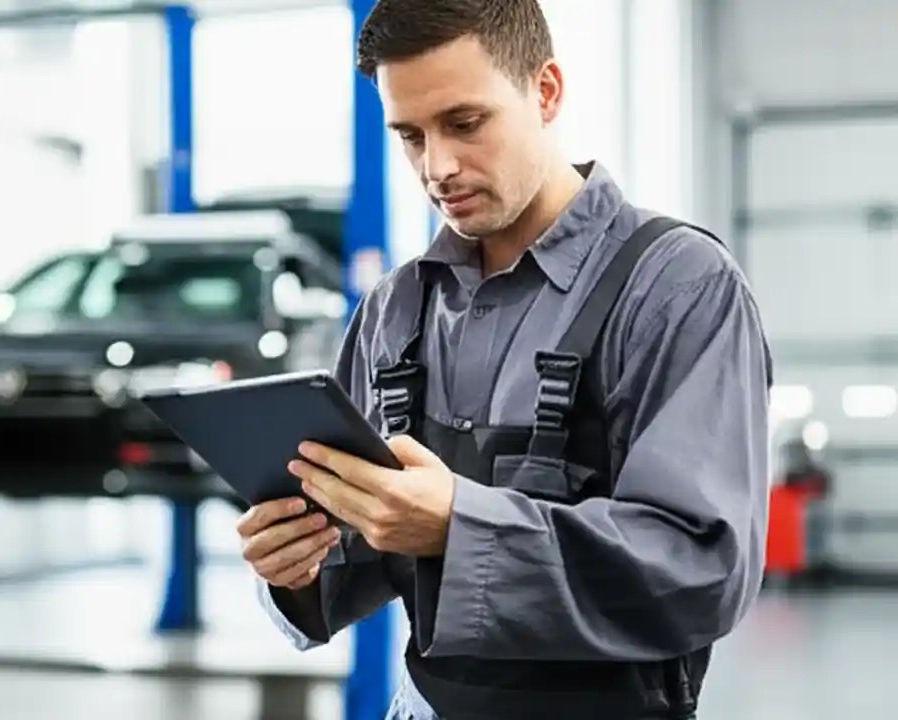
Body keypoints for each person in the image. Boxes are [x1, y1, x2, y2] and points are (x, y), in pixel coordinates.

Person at [234, 1, 773, 718]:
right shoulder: (396, 311)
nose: (439, 167)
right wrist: (294, 565)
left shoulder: (677, 289)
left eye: (464, 124)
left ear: (545, 91)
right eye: (411, 136)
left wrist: (460, 525)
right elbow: (355, 565)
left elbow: (702, 569)